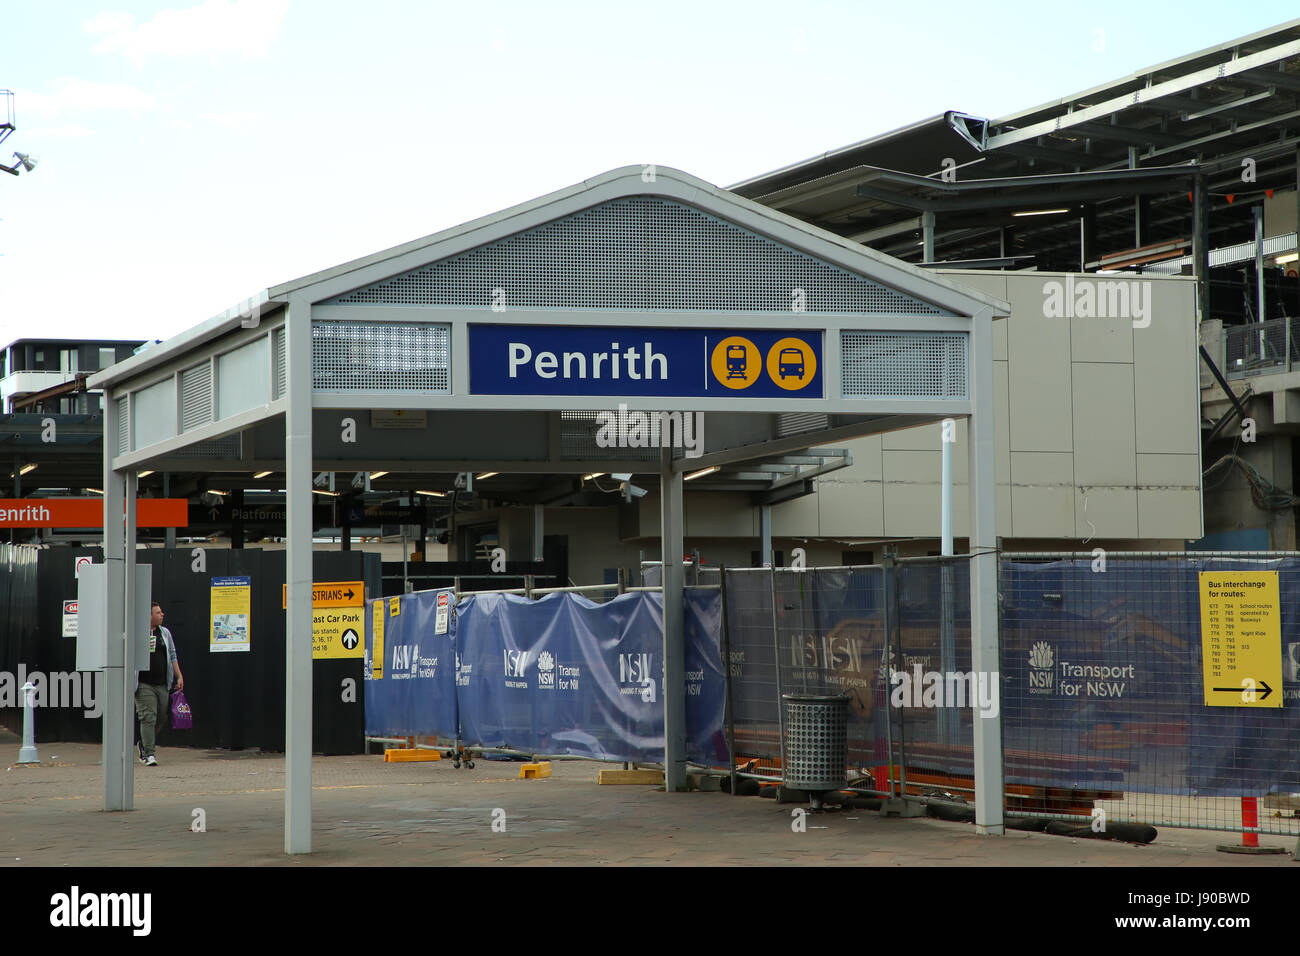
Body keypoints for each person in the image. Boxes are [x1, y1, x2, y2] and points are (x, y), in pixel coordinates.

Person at [136, 601, 184, 766]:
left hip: (162, 683)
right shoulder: (138, 632)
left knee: (161, 717)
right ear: (148, 616)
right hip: (144, 683)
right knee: (148, 717)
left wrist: (179, 676)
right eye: (158, 612)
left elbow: (172, 655)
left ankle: (143, 742)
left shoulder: (165, 633)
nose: (162, 615)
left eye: (161, 612)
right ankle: (149, 753)